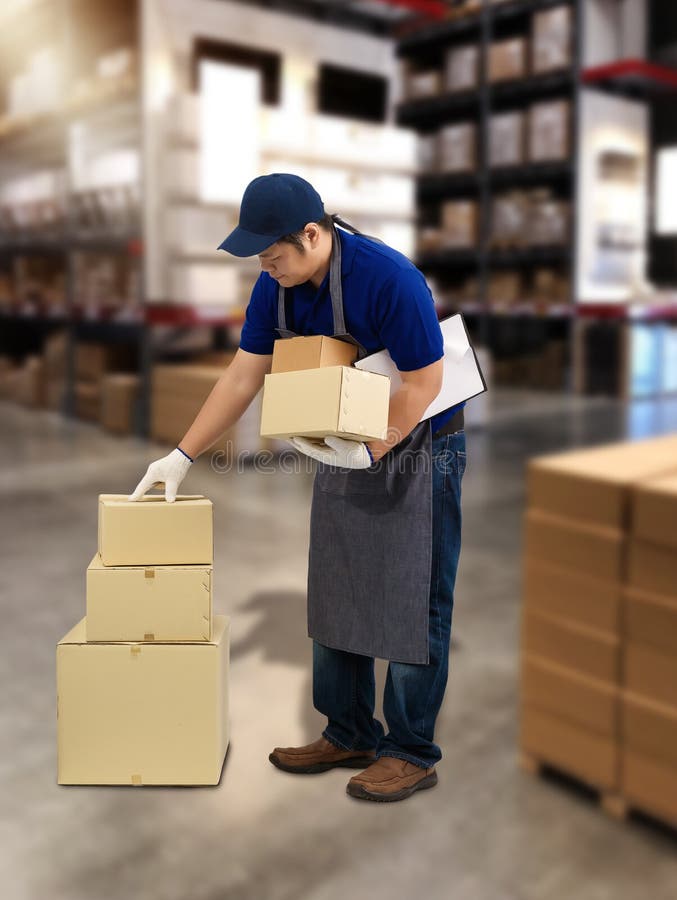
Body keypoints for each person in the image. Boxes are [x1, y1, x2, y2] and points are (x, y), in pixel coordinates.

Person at [130, 173, 466, 803]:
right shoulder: (275, 288)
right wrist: (182, 454)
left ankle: (411, 751)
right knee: (337, 579)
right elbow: (242, 376)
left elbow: (422, 383)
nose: (266, 265)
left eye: (274, 253)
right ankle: (349, 731)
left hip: (419, 438)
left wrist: (371, 448)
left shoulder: (389, 278)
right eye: (259, 256)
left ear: (313, 235)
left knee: (413, 591)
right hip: (347, 434)